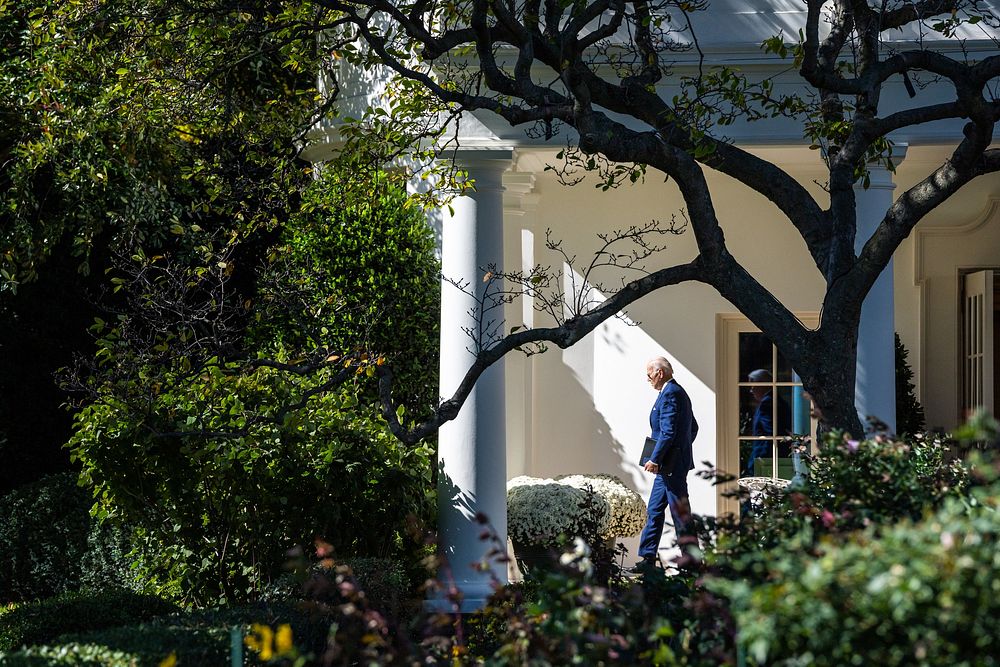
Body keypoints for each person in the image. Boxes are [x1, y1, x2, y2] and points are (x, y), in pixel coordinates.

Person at [634, 357, 698, 571]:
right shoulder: (673, 392)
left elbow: (668, 432)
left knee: (680, 514)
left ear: (660, 373)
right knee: (654, 510)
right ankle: (647, 560)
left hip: (671, 467)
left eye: (649, 375)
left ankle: (692, 564)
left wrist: (656, 458)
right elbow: (693, 428)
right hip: (668, 466)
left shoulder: (671, 393)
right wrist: (679, 449)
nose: (648, 379)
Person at [744, 368, 792, 477]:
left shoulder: (768, 403)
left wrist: (761, 460)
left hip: (766, 461)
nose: (751, 390)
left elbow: (771, 435)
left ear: (762, 384)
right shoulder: (775, 400)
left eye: (752, 386)